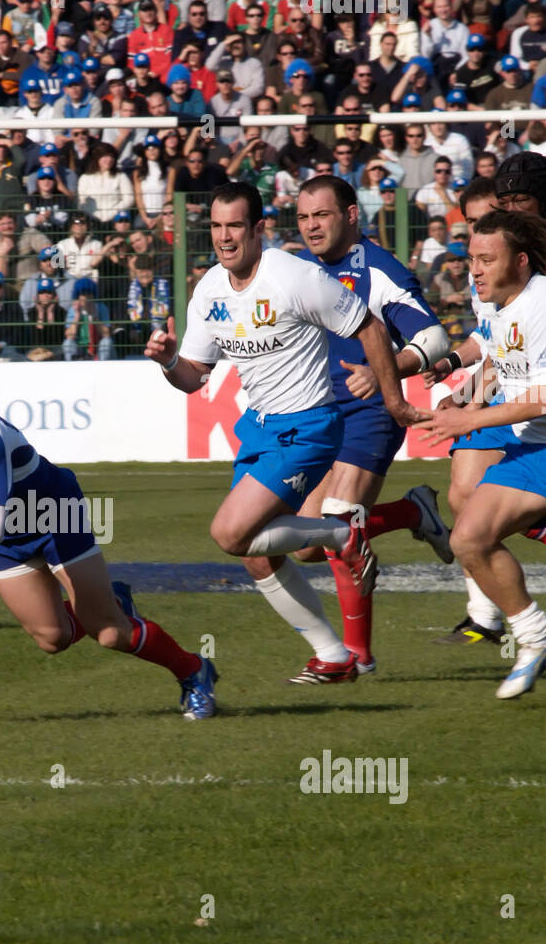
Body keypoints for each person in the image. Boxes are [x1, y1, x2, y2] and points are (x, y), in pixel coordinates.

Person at [145, 181, 424, 685]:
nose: (224, 237)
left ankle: (344, 534)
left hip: (309, 426)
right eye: (216, 226)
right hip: (259, 429)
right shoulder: (209, 290)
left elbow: (371, 329)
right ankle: (334, 656)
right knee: (257, 555)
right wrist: (167, 360)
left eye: (235, 226)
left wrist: (394, 401)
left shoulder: (296, 277)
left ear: (258, 229)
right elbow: (193, 377)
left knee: (230, 534)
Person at [0, 350, 217, 719]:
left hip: (54, 515)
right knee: (53, 639)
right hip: (8, 534)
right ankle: (108, 600)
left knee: (110, 633)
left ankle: (193, 671)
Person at [291, 176, 455, 674]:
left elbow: (434, 338)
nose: (312, 226)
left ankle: (356, 658)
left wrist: (384, 372)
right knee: (302, 546)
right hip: (320, 415)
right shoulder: (297, 269)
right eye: (303, 217)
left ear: (351, 215)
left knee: (340, 521)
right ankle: (411, 513)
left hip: (373, 413)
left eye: (322, 215)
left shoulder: (379, 269)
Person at [420, 209, 546, 698]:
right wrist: (468, 392)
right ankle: (533, 638)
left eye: (485, 260)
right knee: (468, 538)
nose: (474, 269)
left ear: (519, 261)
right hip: (532, 446)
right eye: (471, 258)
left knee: (472, 529)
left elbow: (542, 395)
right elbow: (500, 359)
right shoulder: (497, 302)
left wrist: (469, 419)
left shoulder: (540, 305)